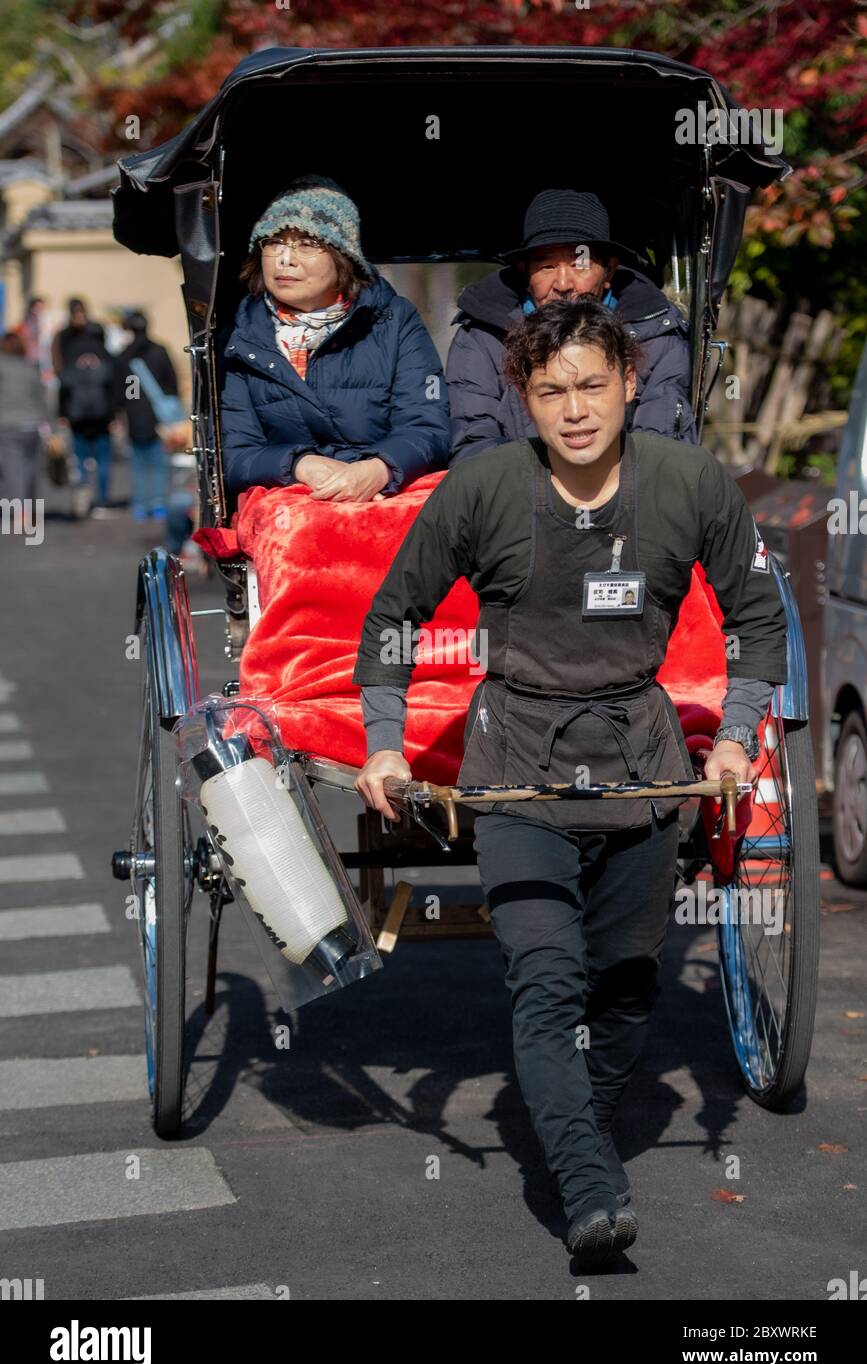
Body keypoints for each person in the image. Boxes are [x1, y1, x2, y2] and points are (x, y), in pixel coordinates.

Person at [352, 297, 787, 1266]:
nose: (576, 408)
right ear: (525, 399)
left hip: (642, 758)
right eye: (552, 391)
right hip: (518, 765)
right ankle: (589, 1187)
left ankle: (572, 1132)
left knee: (627, 986)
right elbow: (394, 614)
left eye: (594, 384)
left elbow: (758, 616)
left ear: (633, 383)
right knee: (547, 979)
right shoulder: (484, 489)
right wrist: (386, 740)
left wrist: (736, 740)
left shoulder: (690, 482)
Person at [220, 173, 449, 503]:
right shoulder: (242, 338)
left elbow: (428, 426)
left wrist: (378, 470)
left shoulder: (394, 320)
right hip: (289, 498)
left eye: (307, 243)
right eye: (273, 242)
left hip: (388, 492)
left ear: (344, 256)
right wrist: (299, 464)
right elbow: (236, 453)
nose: (285, 258)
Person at [447, 190, 697, 460]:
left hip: (629, 493)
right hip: (516, 495)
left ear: (609, 271)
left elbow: (662, 447)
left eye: (580, 265)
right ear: (525, 273)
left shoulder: (657, 335)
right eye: (547, 267)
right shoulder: (482, 338)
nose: (563, 284)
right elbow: (474, 445)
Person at [114, 310, 179, 521]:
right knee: (159, 462)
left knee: (139, 463)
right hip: (159, 415)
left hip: (135, 415)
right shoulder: (160, 350)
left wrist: (127, 407)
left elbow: (125, 390)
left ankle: (141, 503)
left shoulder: (125, 356)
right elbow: (172, 383)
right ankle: (158, 502)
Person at [54, 301, 115, 512]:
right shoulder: (105, 355)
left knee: (79, 458)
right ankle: (103, 500)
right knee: (103, 459)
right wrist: (116, 413)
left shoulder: (71, 354)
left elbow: (64, 386)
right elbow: (116, 387)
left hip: (77, 413)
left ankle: (81, 498)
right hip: (102, 414)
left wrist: (62, 413)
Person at [0, 331, 48, 503]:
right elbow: (42, 398)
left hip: (7, 425)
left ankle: (20, 512)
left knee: (11, 470)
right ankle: (29, 509)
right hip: (32, 425)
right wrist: (51, 426)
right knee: (30, 469)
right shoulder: (31, 367)